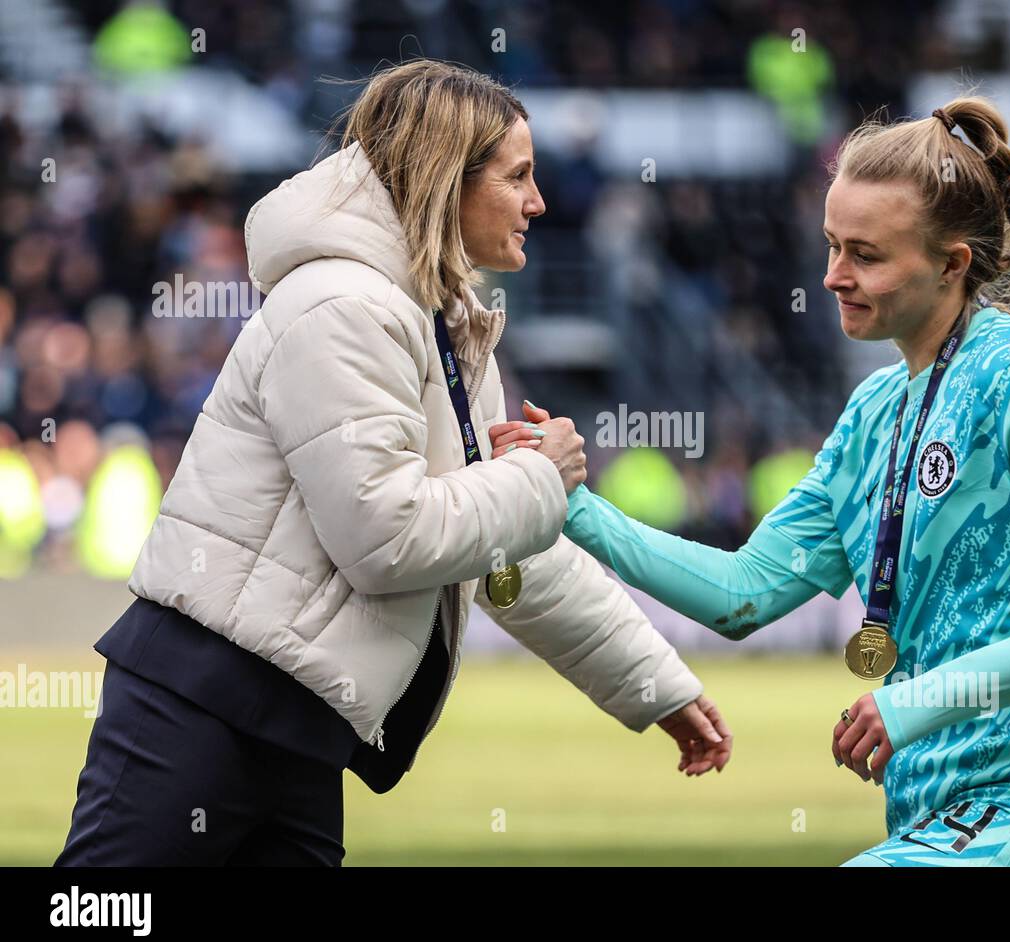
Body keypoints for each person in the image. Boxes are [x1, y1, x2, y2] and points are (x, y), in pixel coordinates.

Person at [55, 60, 731, 868]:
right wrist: (540, 478)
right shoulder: (346, 305)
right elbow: (384, 537)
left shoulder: (434, 318)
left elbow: (508, 551)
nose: (538, 203)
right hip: (206, 705)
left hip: (292, 719)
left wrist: (656, 686)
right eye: (517, 176)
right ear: (447, 179)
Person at [492, 97, 1010, 867]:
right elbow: (744, 593)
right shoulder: (874, 411)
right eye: (832, 246)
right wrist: (571, 505)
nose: (833, 276)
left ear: (953, 264)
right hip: (939, 817)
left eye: (866, 256)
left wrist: (916, 701)